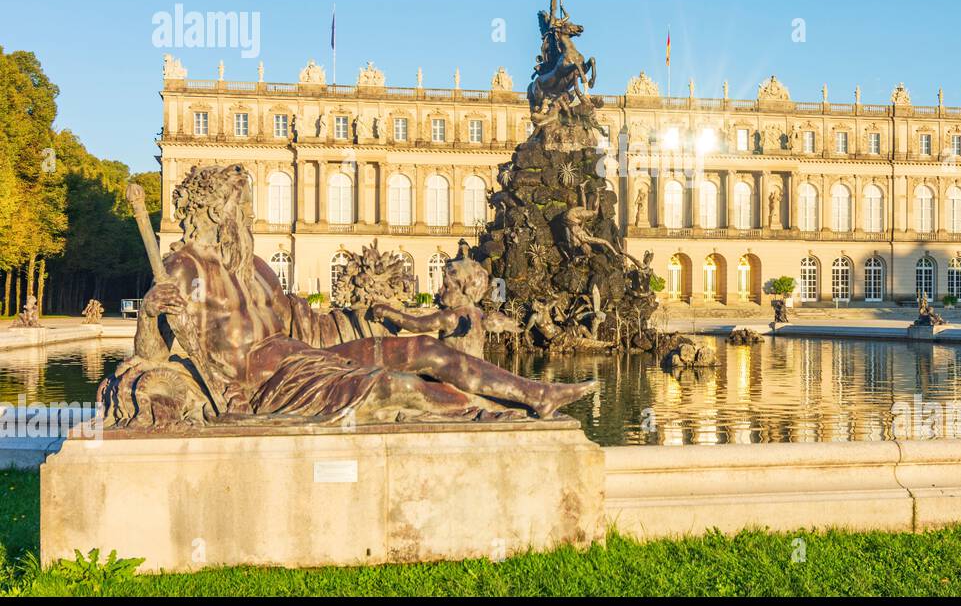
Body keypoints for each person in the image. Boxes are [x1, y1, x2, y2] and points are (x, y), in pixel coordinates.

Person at [100, 164, 594, 428]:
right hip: (269, 382)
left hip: (308, 356)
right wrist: (148, 314)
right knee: (390, 385)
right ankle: (481, 412)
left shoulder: (253, 266)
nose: (245, 216)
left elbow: (306, 321)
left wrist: (369, 315)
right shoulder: (183, 268)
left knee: (424, 349)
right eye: (238, 206)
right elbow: (151, 354)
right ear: (212, 209)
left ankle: (537, 394)